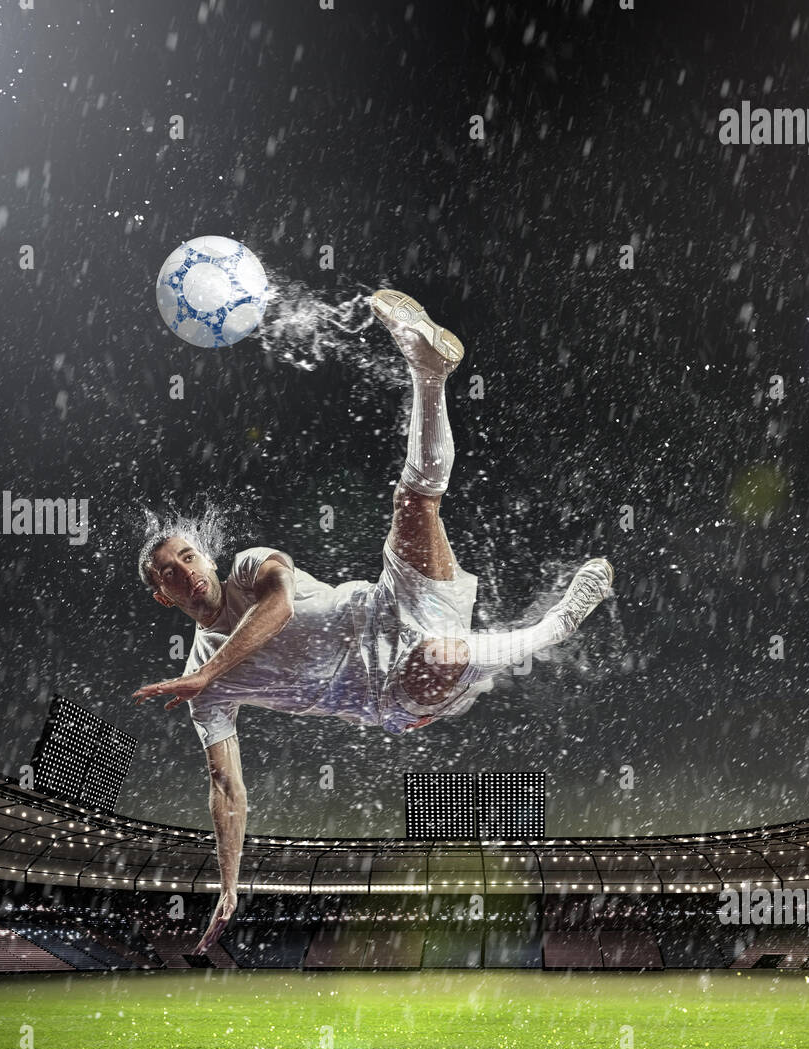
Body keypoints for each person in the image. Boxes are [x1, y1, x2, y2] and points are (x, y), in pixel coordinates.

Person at [133, 289, 613, 948]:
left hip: (392, 600)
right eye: (170, 572)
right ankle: (552, 628)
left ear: (207, 557)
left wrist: (206, 673)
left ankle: (428, 371)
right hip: (391, 692)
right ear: (164, 594)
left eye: (189, 554)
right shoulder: (202, 689)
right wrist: (229, 883)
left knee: (414, 504)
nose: (186, 569)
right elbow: (226, 786)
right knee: (441, 655)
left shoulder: (248, 569)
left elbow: (274, 608)